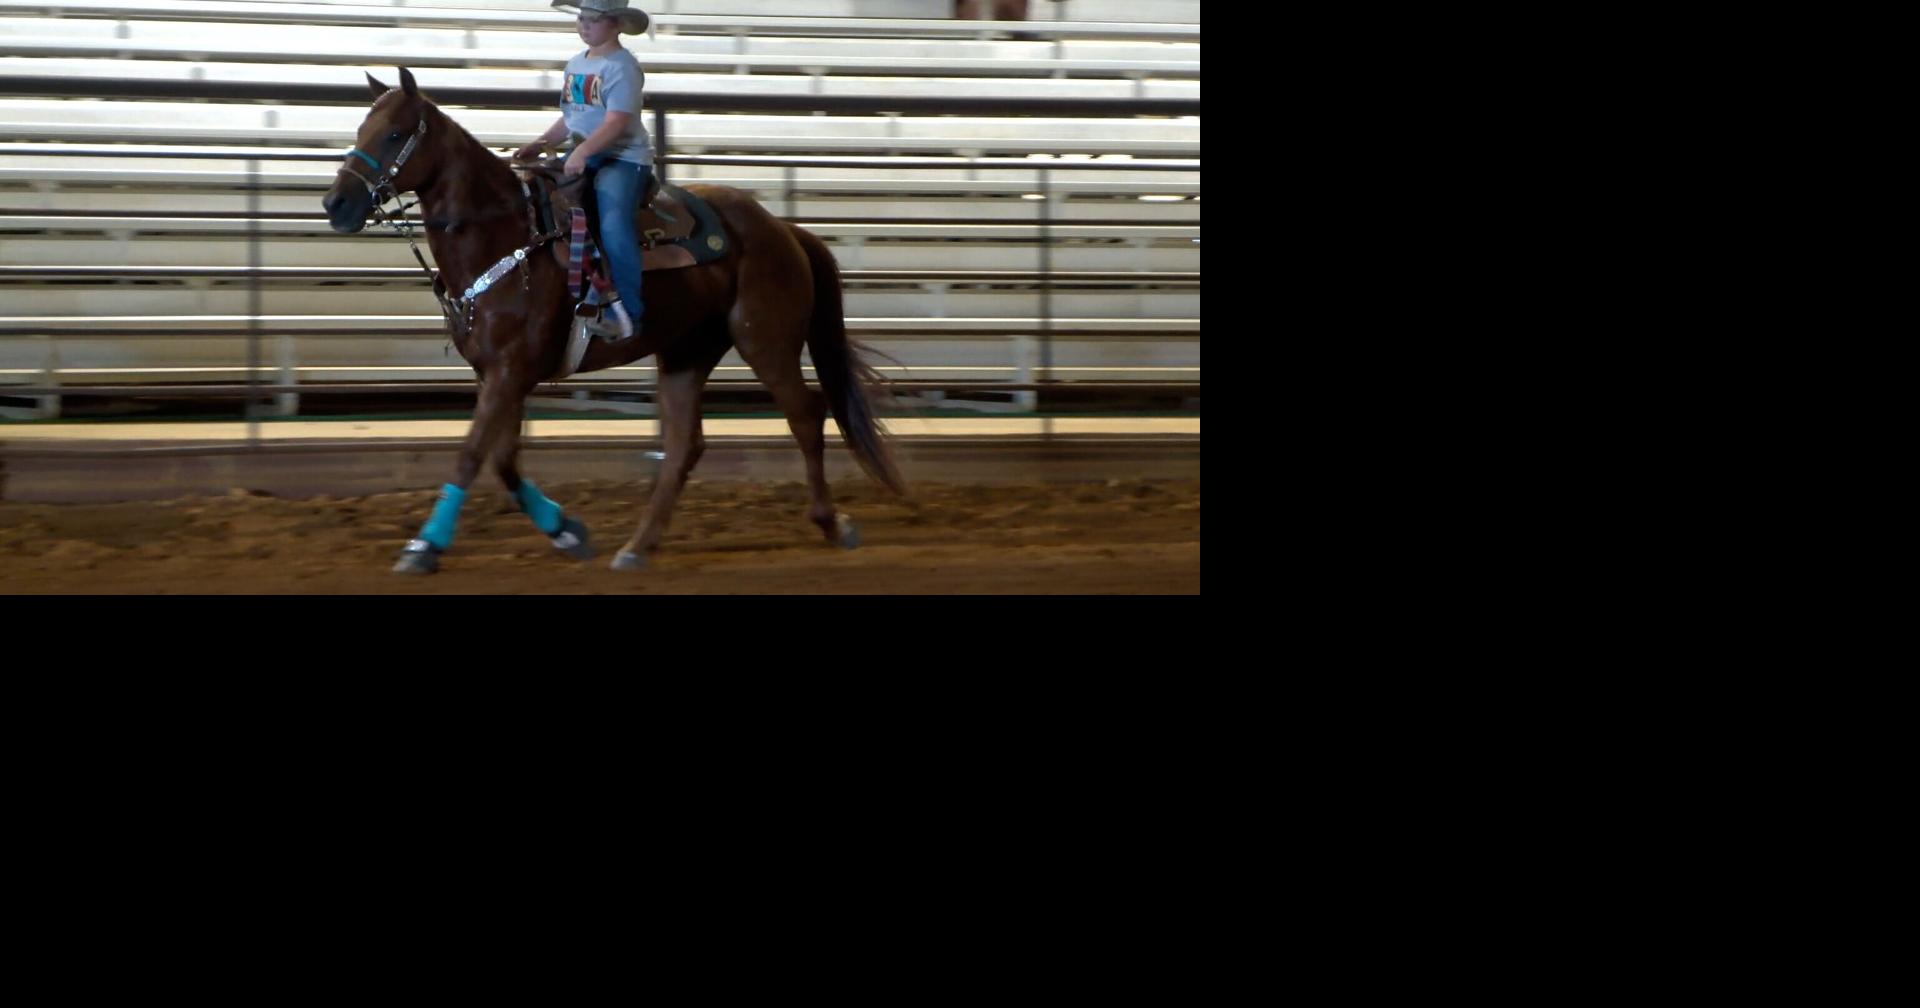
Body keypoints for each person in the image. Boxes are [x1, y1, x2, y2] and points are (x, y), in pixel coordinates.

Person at [516, 0, 653, 340]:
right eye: (581, 18)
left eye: (594, 20)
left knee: (613, 223)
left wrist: (583, 150)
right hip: (584, 154)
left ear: (616, 25)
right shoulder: (577, 64)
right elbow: (572, 115)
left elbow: (618, 122)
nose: (584, 25)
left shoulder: (622, 67)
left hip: (622, 159)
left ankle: (630, 313)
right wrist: (543, 142)